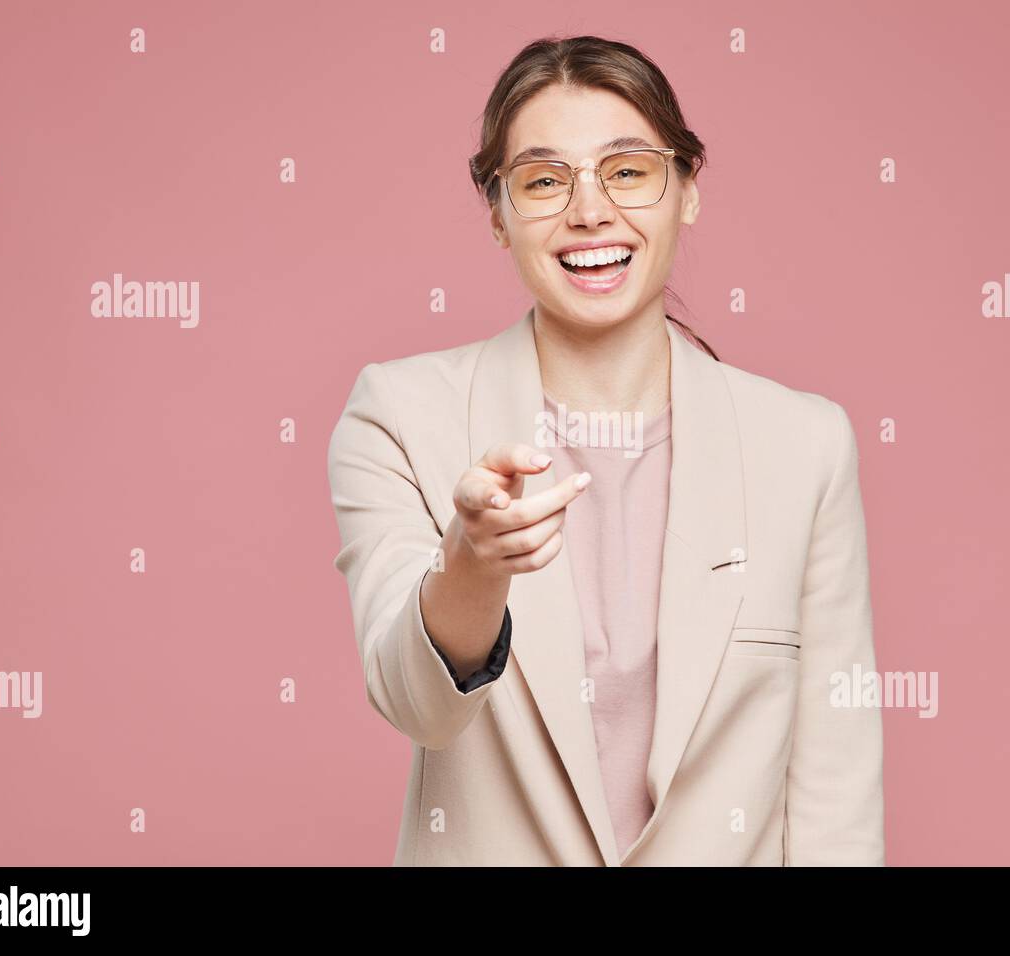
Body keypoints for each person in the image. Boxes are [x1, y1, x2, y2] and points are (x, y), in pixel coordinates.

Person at [326, 35, 884, 866]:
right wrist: (473, 566)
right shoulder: (401, 414)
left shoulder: (805, 445)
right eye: (545, 181)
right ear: (497, 214)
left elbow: (836, 786)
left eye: (628, 170)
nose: (590, 211)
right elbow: (417, 706)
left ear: (687, 189)